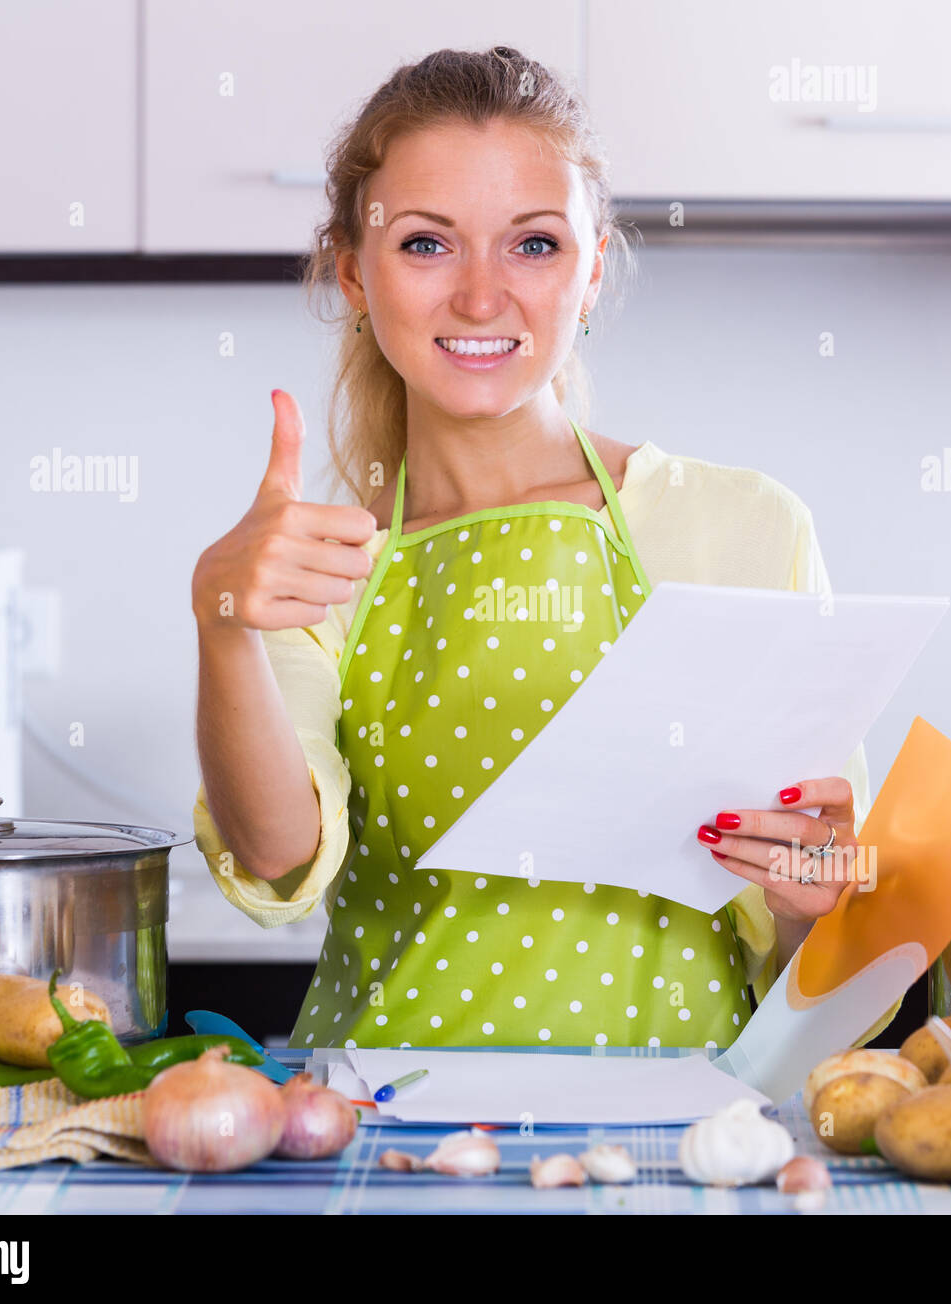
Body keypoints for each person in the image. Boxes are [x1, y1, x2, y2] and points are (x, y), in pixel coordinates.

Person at [192, 46, 895, 1051]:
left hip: (678, 1143)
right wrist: (221, 622)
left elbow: (822, 969)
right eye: (427, 245)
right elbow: (273, 855)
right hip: (391, 1138)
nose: (482, 298)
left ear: (593, 267)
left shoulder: (746, 528)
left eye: (533, 245)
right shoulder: (312, 565)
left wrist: (810, 893)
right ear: (353, 269)